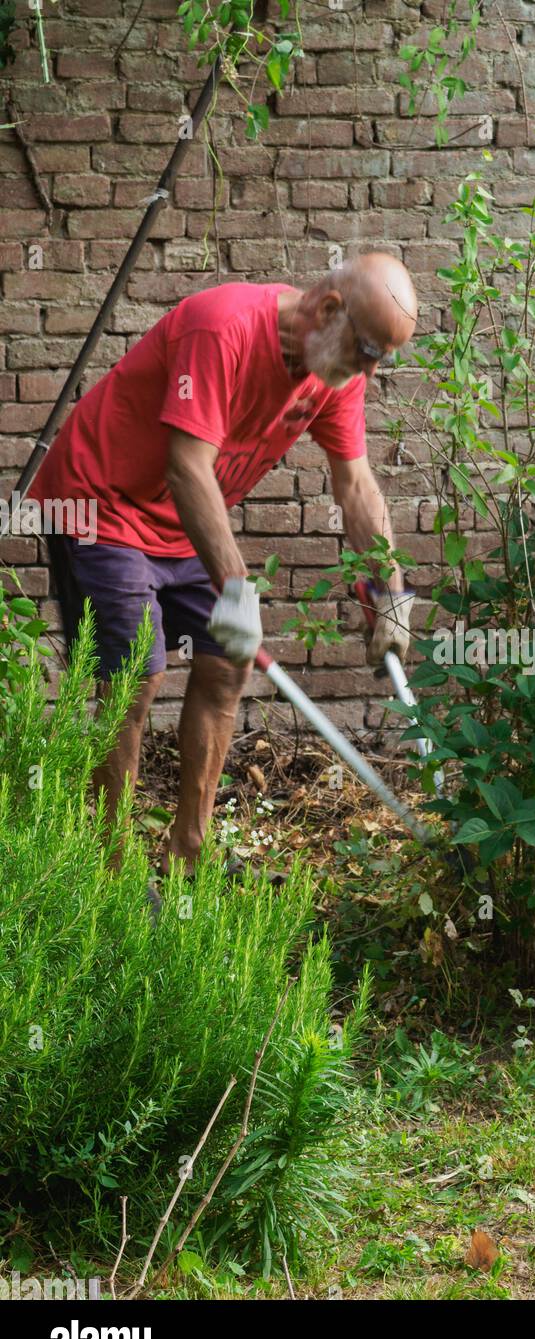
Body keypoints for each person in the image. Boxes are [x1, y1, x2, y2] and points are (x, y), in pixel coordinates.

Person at [32, 251, 418, 876]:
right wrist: (238, 588)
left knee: (226, 663)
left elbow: (356, 487)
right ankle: (111, 872)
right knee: (135, 675)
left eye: (381, 358)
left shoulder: (335, 374)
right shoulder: (224, 328)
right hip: (99, 503)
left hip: (178, 523)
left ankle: (189, 853)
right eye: (368, 350)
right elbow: (187, 466)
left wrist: (390, 593)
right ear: (329, 309)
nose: (369, 370)